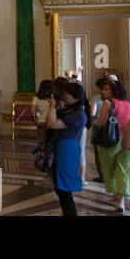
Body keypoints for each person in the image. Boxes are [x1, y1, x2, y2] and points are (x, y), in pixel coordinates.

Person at [45, 79, 89, 216]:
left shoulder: (78, 114)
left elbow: (52, 124)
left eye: (66, 94)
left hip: (67, 150)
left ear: (74, 96)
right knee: (60, 187)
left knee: (64, 189)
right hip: (64, 148)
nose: (63, 96)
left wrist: (52, 107)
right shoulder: (73, 110)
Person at [95, 78, 130, 212]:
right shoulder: (129, 104)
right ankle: (120, 201)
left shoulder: (107, 103)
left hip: (110, 141)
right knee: (123, 171)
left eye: (106, 89)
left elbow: (100, 123)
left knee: (109, 169)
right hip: (128, 140)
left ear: (114, 91)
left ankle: (116, 196)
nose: (102, 91)